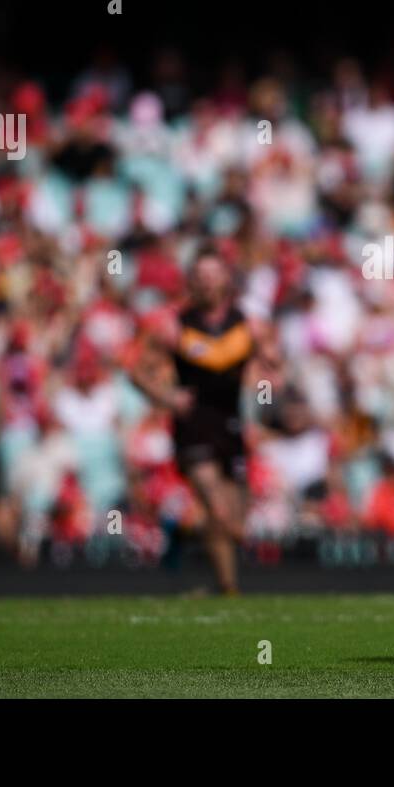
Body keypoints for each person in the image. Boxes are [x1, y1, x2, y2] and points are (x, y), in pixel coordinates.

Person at [132, 249, 253, 595]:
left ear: (227, 279)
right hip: (193, 426)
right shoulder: (174, 327)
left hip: (231, 425)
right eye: (200, 275)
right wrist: (166, 397)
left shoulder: (248, 324)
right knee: (217, 508)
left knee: (235, 524)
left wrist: (270, 377)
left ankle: (187, 538)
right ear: (191, 281)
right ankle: (230, 589)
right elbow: (138, 371)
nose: (207, 281)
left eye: (213, 274)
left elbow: (272, 361)